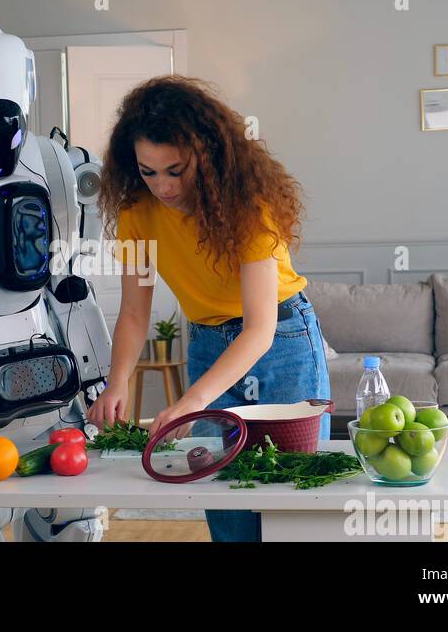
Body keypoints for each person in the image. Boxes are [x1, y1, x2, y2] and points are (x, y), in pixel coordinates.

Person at [85, 75, 331, 542]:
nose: (163, 186)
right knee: (225, 498)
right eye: (148, 171)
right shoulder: (138, 214)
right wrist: (117, 383)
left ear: (207, 155)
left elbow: (258, 331)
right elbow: (136, 313)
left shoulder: (248, 208)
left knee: (293, 497)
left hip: (282, 341)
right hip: (208, 342)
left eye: (175, 170)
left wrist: (191, 400)